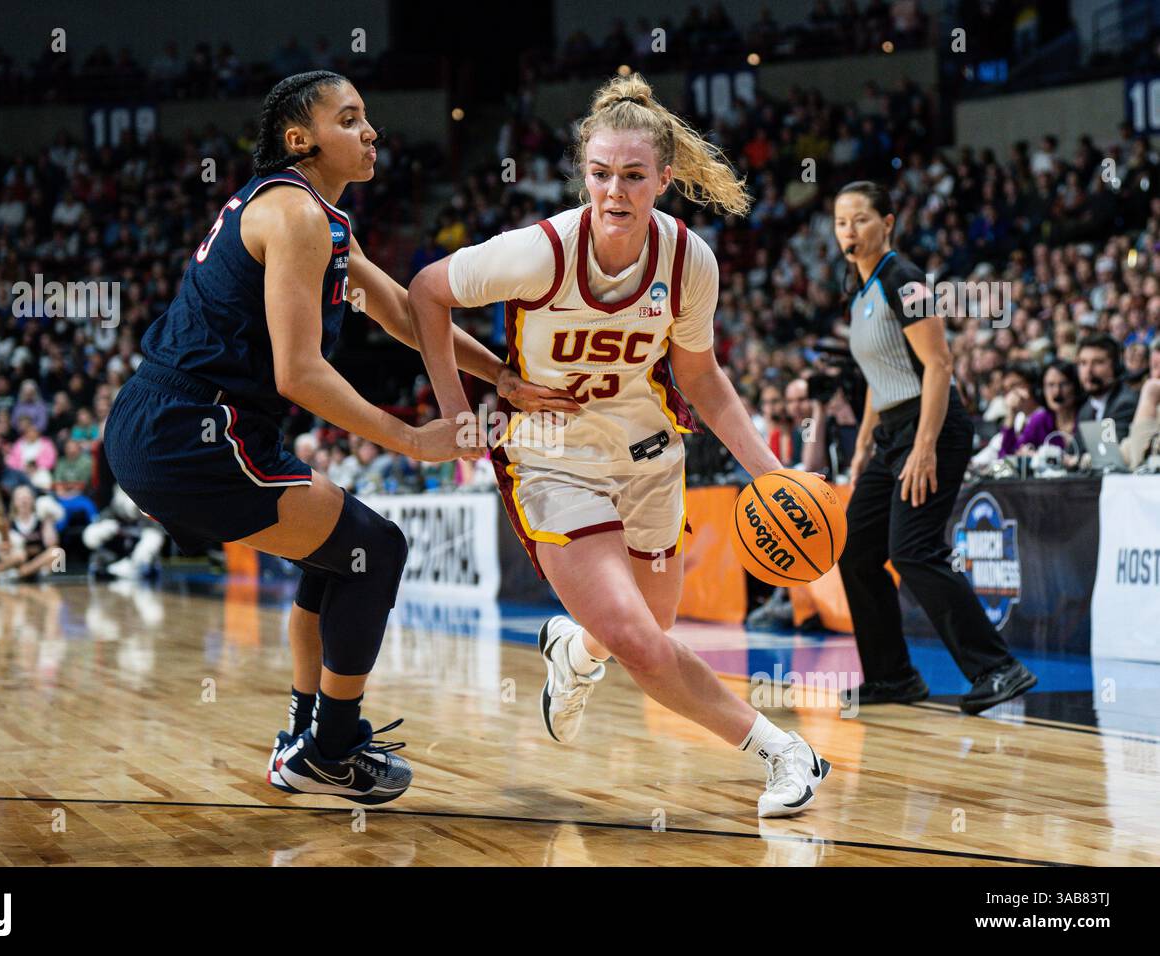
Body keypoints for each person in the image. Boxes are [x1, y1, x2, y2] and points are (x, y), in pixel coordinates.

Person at [102, 71, 569, 806]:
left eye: (368, 119)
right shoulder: (294, 216)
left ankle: (308, 733)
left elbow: (411, 319)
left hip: (180, 423)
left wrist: (502, 377)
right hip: (192, 427)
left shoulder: (320, 220)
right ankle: (333, 746)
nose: (371, 132)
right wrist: (413, 440)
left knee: (343, 551)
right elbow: (299, 374)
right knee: (376, 550)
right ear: (301, 140)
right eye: (349, 119)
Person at [408, 73, 833, 818]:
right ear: (584, 175)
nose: (614, 190)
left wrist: (774, 475)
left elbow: (699, 376)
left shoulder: (687, 260)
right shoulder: (539, 253)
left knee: (650, 627)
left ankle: (572, 652)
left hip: (644, 448)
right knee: (638, 639)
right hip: (550, 454)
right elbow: (426, 291)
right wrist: (457, 413)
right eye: (600, 173)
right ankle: (785, 751)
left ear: (664, 180)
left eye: (634, 176)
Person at [832, 180, 1036, 714]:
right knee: (856, 553)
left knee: (914, 550)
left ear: (889, 222)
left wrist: (924, 447)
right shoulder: (859, 291)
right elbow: (881, 376)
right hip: (890, 435)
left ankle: (998, 667)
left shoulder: (906, 280)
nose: (849, 231)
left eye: (860, 219)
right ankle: (891, 677)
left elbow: (939, 366)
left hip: (934, 427)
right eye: (840, 222)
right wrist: (860, 450)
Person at [1076, 333, 1139, 440]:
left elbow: (1111, 452)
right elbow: (1075, 449)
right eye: (1083, 363)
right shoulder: (1085, 409)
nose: (1088, 371)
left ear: (1116, 367)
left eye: (1098, 362)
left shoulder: (1126, 403)